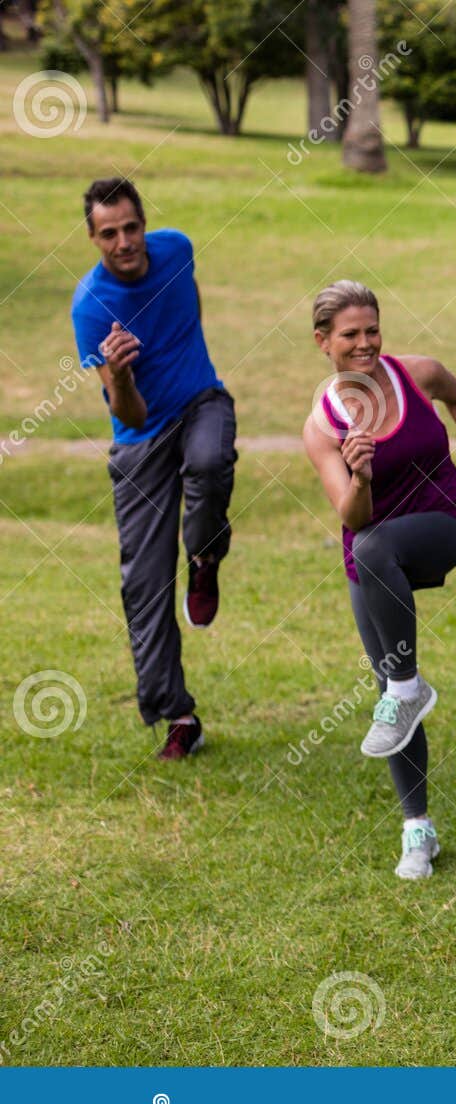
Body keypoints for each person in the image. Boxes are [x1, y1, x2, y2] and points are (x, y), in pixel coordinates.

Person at [302, 280, 456, 880]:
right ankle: (418, 829)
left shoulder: (419, 374)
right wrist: (359, 476)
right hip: (370, 550)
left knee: (399, 684)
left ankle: (407, 685)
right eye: (349, 335)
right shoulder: (322, 428)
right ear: (323, 342)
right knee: (391, 696)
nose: (364, 344)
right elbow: (352, 516)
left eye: (372, 330)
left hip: (443, 520)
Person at [70, 177, 236, 760]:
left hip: (200, 404)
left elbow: (185, 302)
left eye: (131, 227)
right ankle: (179, 716)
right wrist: (118, 374)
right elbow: (130, 413)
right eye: (108, 233)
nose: (123, 242)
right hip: (140, 435)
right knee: (143, 586)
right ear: (92, 238)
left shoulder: (179, 248)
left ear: (145, 224)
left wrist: (186, 351)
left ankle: (205, 556)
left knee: (211, 462)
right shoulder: (91, 309)